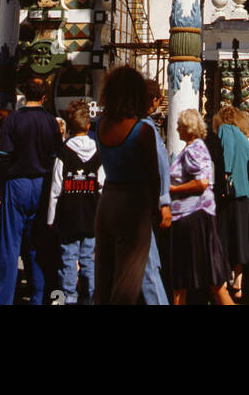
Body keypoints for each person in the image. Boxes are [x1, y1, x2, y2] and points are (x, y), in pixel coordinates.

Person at [93, 65, 160, 305]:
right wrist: (156, 206)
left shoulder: (101, 126)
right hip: (134, 203)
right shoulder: (142, 130)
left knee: (104, 275)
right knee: (127, 281)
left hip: (108, 199)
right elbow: (154, 174)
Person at [0, 77, 60, 306]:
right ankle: (38, 296)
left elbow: (2, 156)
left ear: (25, 95)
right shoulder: (50, 121)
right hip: (41, 183)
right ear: (43, 97)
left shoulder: (13, 120)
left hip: (17, 182)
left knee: (10, 245)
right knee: (37, 244)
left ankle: (5, 299)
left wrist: (1, 185)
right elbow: (55, 155)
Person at [168, 109, 233, 305]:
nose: (177, 128)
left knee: (205, 278)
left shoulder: (194, 149)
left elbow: (202, 182)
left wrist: (172, 188)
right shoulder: (193, 148)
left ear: (188, 128)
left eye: (179, 124)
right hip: (190, 217)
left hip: (193, 218)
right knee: (188, 279)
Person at [46, 99, 103, 305]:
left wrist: (51, 217)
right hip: (90, 213)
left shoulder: (64, 152)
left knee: (68, 259)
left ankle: (67, 298)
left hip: (68, 213)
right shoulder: (98, 152)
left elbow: (56, 186)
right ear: (88, 126)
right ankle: (90, 296)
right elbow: (102, 184)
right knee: (88, 259)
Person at [215, 104, 249, 300]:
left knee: (223, 236)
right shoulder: (243, 136)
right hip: (244, 192)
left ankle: (222, 279)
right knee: (240, 236)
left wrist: (226, 175)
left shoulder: (225, 129)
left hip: (230, 191)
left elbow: (226, 153)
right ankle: (239, 280)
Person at [140, 79, 172, 305]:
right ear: (153, 101)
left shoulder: (115, 124)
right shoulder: (147, 128)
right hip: (141, 206)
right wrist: (164, 202)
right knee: (149, 265)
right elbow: (162, 167)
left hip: (116, 203)